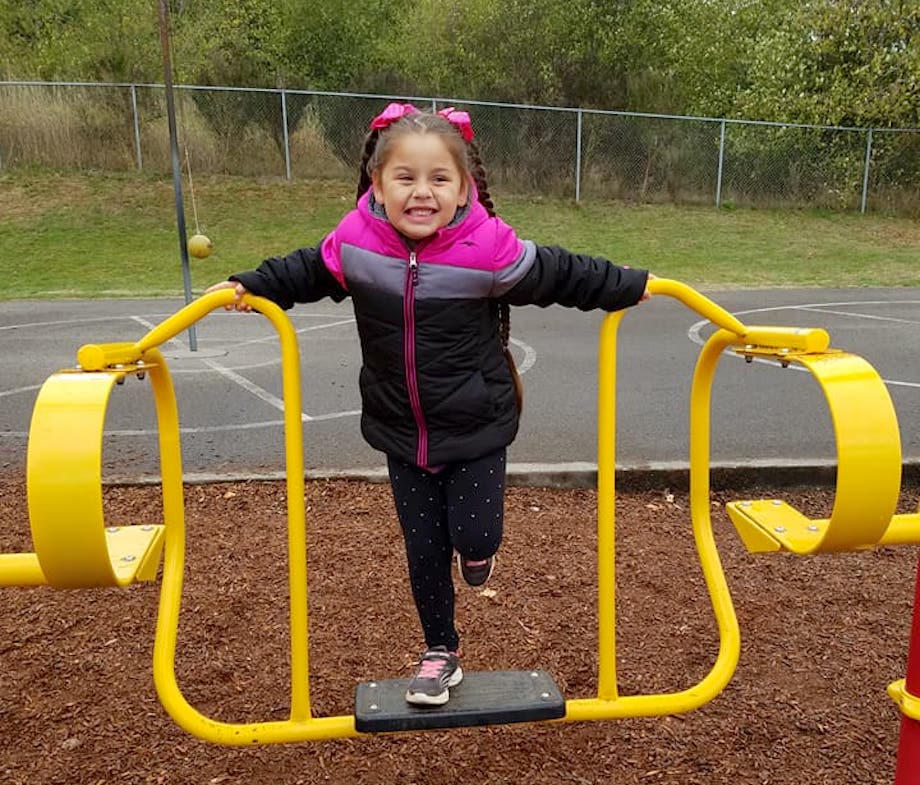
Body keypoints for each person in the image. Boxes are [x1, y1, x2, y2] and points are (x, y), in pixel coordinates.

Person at [207, 102, 653, 707]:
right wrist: (251, 284)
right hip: (400, 428)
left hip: (475, 425)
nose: (422, 193)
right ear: (378, 184)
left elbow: (558, 273)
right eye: (405, 178)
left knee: (474, 534)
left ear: (463, 186)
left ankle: (478, 553)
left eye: (440, 179)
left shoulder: (485, 246)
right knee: (422, 552)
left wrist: (626, 284)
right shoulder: (356, 242)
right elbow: (307, 269)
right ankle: (440, 652)